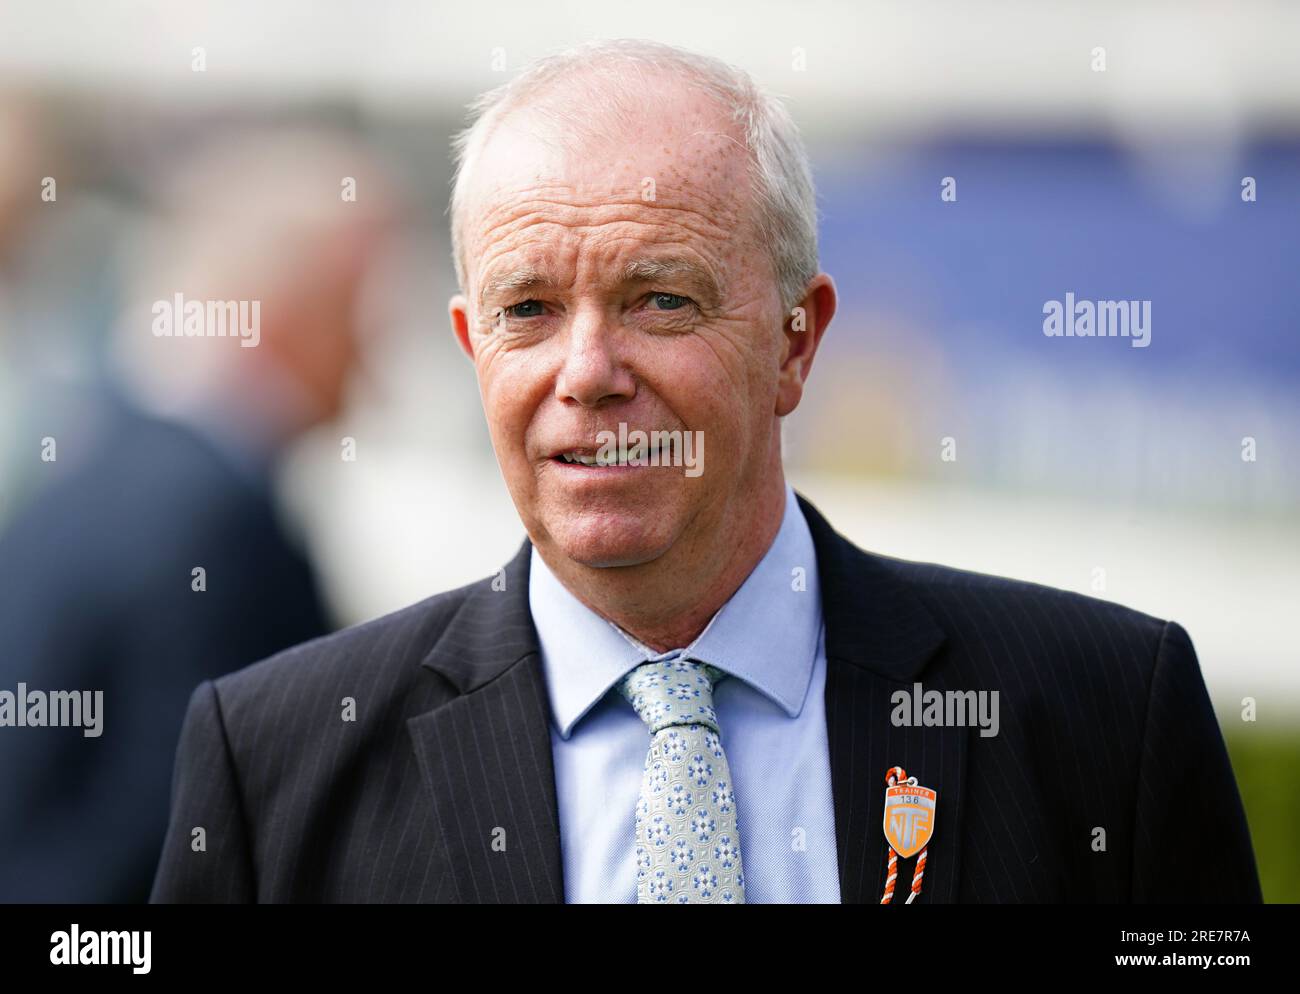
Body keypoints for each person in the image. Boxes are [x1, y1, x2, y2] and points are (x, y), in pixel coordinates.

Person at [151, 40, 1260, 904]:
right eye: (528, 309)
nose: (586, 371)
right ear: (470, 347)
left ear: (794, 342)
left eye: (660, 299)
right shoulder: (277, 764)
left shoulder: (1104, 716)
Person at [0, 131, 392, 901]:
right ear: (290, 310)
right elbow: (194, 828)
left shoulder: (86, 465)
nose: (369, 360)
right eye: (354, 313)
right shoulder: (215, 523)